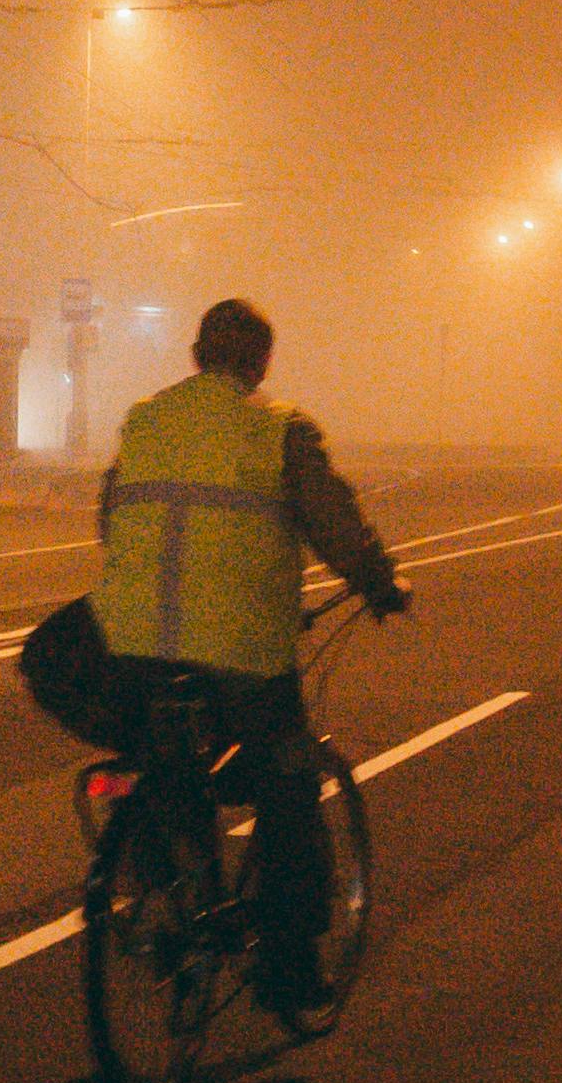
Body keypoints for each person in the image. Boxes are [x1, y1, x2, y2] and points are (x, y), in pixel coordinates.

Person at [93, 298, 407, 1031]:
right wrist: (379, 581)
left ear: (196, 351)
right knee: (289, 779)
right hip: (240, 650)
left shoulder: (146, 418)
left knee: (166, 766)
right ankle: (290, 967)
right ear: (261, 361)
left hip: (131, 644)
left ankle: (173, 903)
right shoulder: (279, 428)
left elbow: (113, 519)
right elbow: (334, 524)